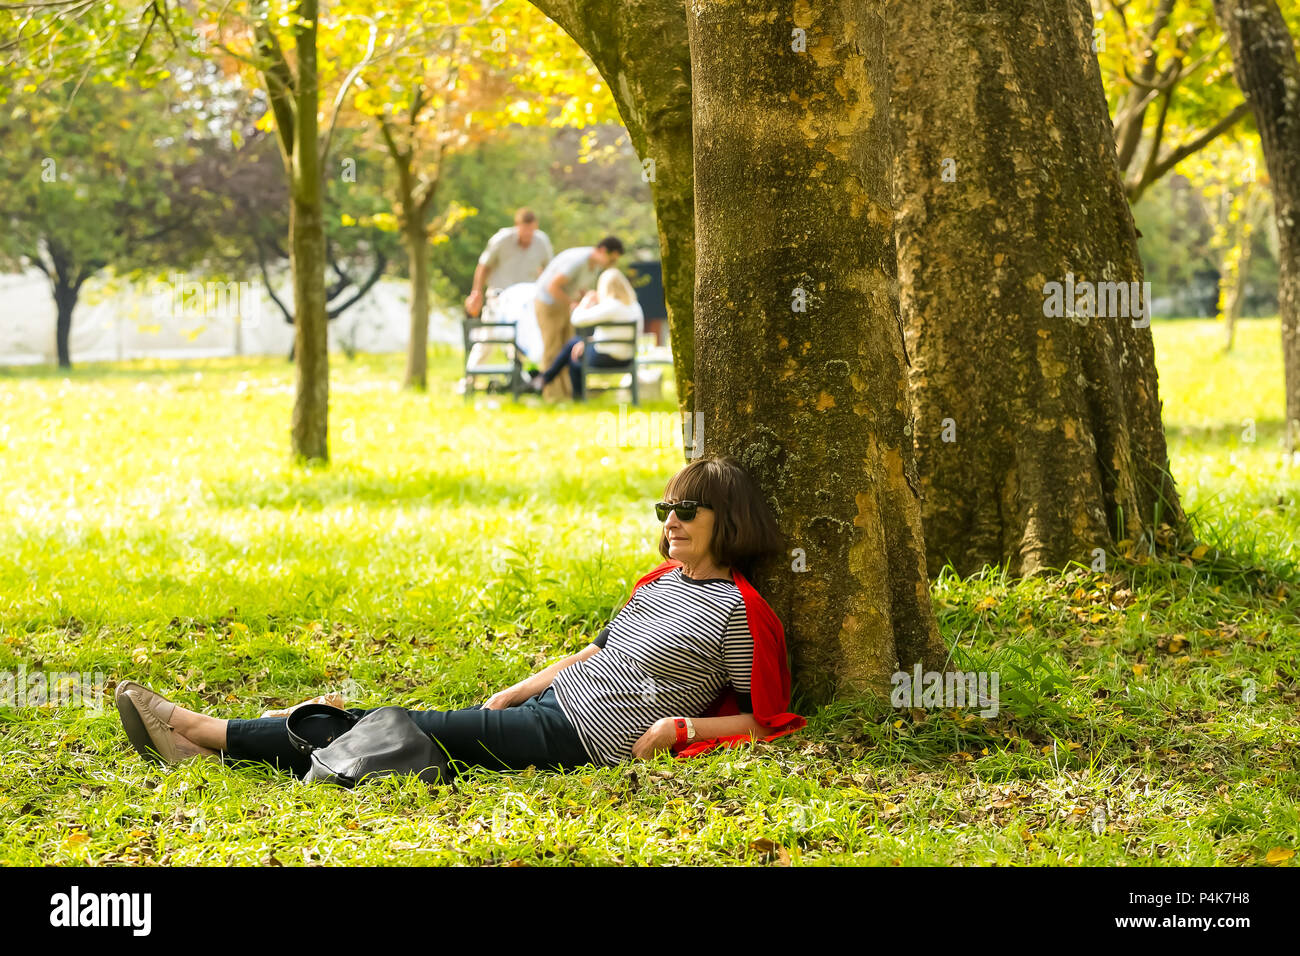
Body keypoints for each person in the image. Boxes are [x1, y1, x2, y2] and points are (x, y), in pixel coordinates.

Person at [113, 456, 807, 778]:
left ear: (730, 520)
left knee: (408, 727)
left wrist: (680, 727)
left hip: (579, 741)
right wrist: (518, 688)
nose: (673, 522)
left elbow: (765, 718)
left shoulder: (738, 612)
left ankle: (203, 733)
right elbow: (595, 655)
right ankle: (214, 743)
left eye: (688, 511)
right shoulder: (658, 583)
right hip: (550, 712)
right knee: (399, 733)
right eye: (666, 510)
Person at [463, 209, 553, 378]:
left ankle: (521, 382)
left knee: (522, 344)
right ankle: (469, 381)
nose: (528, 235)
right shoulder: (501, 240)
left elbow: (549, 271)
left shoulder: (541, 242)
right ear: (517, 226)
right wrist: (477, 292)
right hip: (499, 299)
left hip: (526, 304)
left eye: (532, 231)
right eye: (525, 230)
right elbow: (483, 266)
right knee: (485, 342)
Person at [529, 267, 643, 400]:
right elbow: (615, 334)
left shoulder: (611, 306)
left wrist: (586, 302)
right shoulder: (634, 306)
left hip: (607, 358)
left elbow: (576, 319)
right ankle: (545, 378)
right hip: (627, 358)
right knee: (575, 344)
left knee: (573, 356)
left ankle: (562, 388)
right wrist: (588, 341)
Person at [533, 237, 623, 401]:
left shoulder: (594, 266)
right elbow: (552, 286)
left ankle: (568, 393)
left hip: (565, 305)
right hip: (548, 303)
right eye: (612, 259)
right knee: (552, 348)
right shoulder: (578, 260)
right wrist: (573, 303)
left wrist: (585, 300)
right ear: (603, 251)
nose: (611, 263)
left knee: (567, 348)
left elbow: (580, 288)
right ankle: (551, 395)